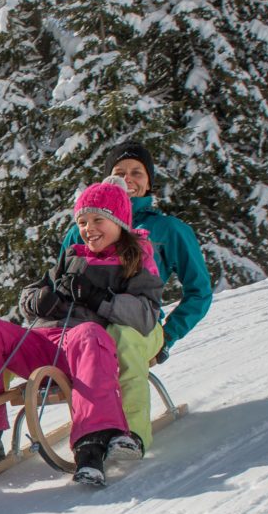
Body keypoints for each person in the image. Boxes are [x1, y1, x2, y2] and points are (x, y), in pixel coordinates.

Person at [0, 180, 164, 487]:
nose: (88, 228)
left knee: (90, 333)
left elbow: (146, 315)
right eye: (82, 222)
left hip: (85, 350)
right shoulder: (74, 255)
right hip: (43, 343)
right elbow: (36, 289)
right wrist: (38, 299)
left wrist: (98, 299)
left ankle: (91, 446)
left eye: (97, 220)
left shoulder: (137, 260)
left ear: (119, 221)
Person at [59, 142, 212, 454]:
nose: (128, 178)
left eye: (136, 172)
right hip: (88, 328)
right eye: (119, 173)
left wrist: (168, 334)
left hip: (138, 327)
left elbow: (199, 291)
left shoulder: (168, 230)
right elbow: (61, 282)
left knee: (124, 337)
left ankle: (131, 435)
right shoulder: (82, 229)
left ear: (149, 181)